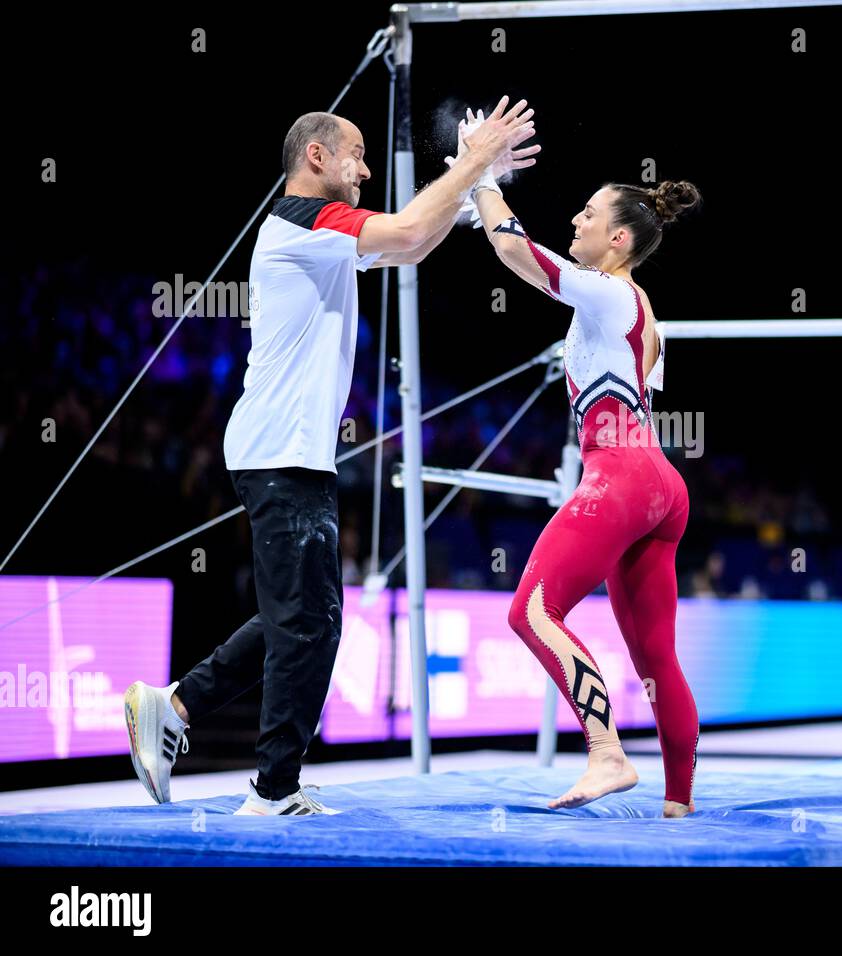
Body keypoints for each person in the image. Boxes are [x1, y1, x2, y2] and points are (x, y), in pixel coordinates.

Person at [124, 98, 538, 815]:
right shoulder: (302, 221)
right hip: (279, 448)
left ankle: (177, 704)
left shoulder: (324, 231)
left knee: (307, 617)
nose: (368, 167)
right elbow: (408, 226)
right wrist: (473, 161)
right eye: (357, 153)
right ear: (316, 156)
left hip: (293, 449)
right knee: (308, 623)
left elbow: (409, 245)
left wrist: (476, 186)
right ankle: (272, 790)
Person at [451, 111, 702, 817]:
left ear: (618, 239)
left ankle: (607, 753)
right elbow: (506, 237)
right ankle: (680, 806)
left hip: (620, 474)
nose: (575, 219)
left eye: (588, 214)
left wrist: (480, 167)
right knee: (657, 660)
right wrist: (479, 190)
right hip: (660, 483)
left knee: (532, 611)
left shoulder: (605, 289)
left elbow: (516, 255)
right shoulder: (641, 305)